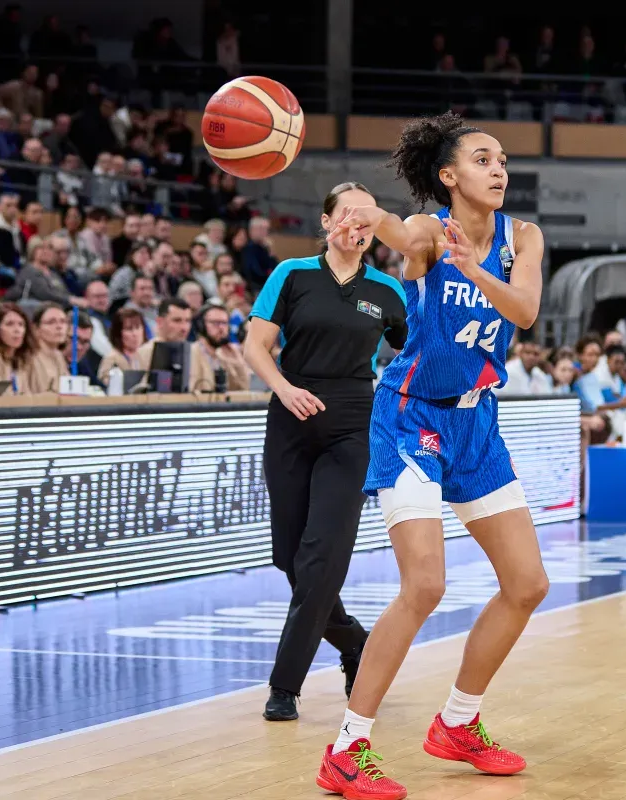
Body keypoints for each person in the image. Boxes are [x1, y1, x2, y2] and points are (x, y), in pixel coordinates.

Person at [323, 112, 548, 799]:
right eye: (483, 159)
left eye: (502, 158)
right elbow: (398, 229)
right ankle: (347, 747)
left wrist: (476, 269)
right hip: (410, 417)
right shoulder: (427, 234)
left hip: (475, 422)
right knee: (424, 585)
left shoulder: (523, 236)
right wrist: (367, 212)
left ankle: (457, 723)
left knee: (528, 584)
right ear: (449, 176)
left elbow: (526, 312)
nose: (499, 168)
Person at [243, 182, 407, 724]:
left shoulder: (387, 291)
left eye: (367, 221)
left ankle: (284, 686)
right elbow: (255, 345)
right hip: (290, 414)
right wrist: (284, 389)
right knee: (288, 557)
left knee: (321, 558)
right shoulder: (290, 274)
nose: (357, 229)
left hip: (352, 425)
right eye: (348, 218)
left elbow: (419, 351)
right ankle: (355, 641)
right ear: (326, 221)